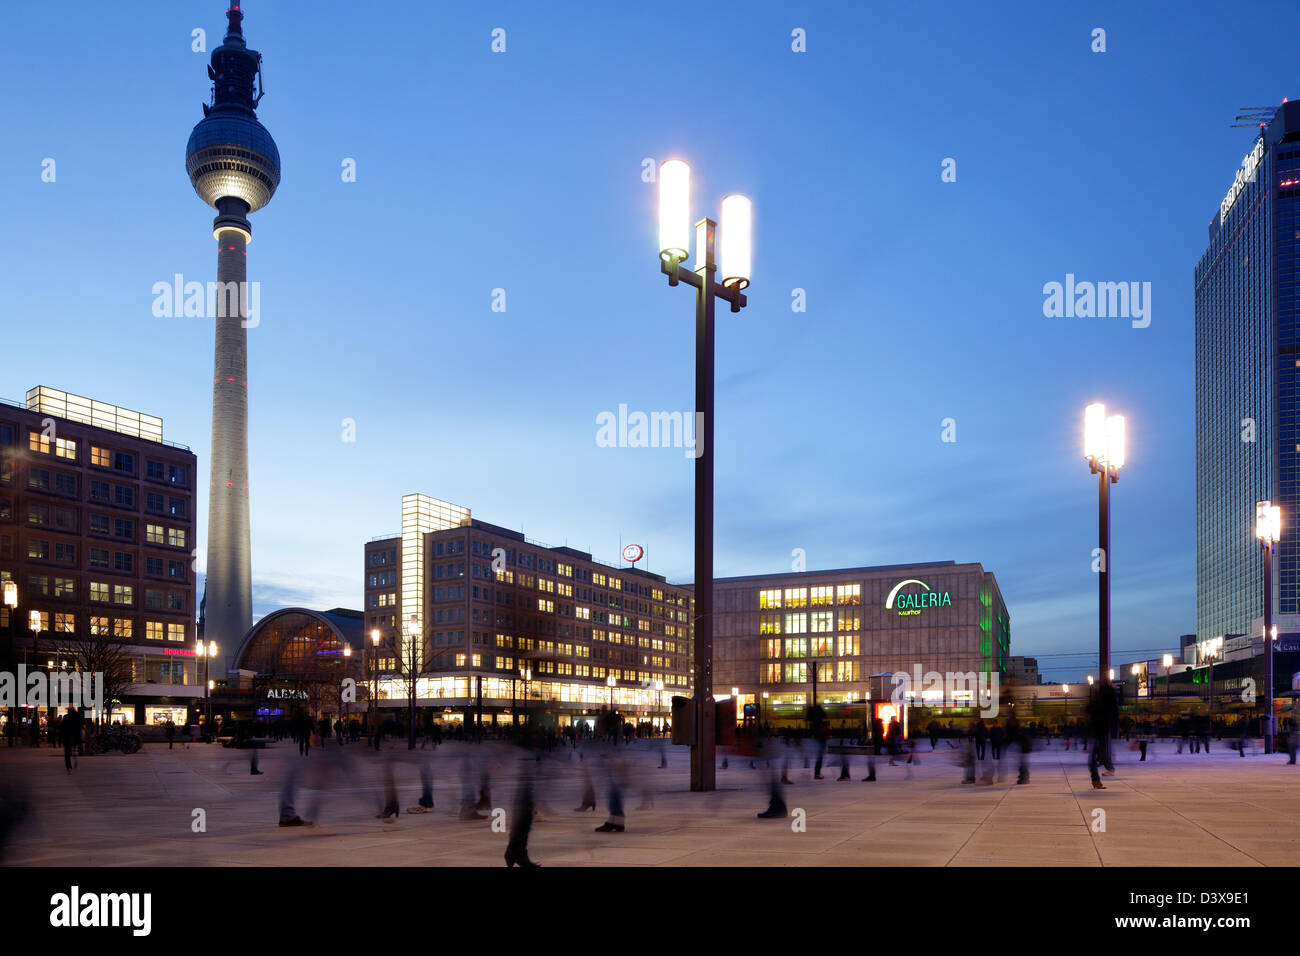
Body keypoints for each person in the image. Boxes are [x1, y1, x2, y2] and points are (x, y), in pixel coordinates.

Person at [1088, 683, 1118, 789]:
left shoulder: (1100, 702)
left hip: (1098, 732)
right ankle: (1100, 776)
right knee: (1099, 755)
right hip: (1102, 732)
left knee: (1094, 758)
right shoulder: (1109, 703)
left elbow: (1090, 710)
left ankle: (1097, 779)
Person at [60, 706, 82, 773]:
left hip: (67, 737)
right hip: (75, 737)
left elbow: (62, 728)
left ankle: (69, 767)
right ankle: (74, 757)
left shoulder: (66, 717)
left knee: (67, 753)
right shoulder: (78, 717)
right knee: (73, 750)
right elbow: (79, 727)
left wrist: (62, 737)